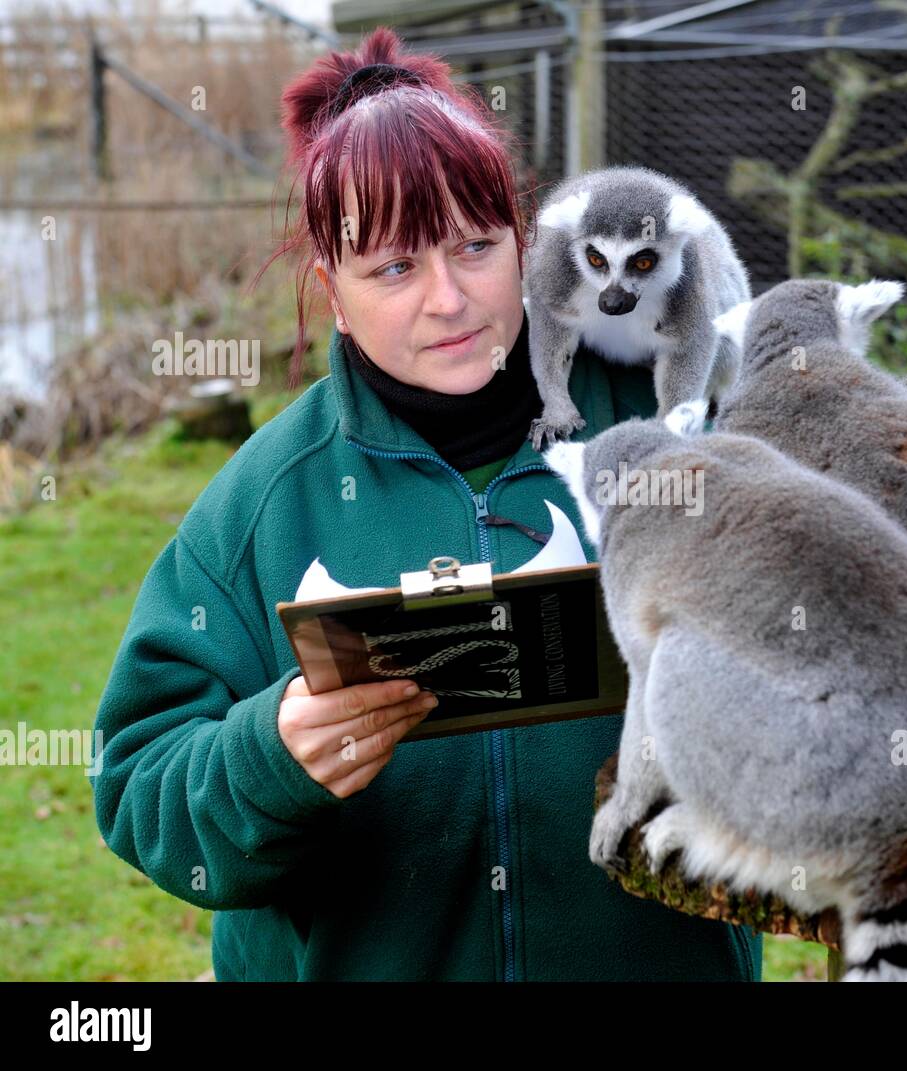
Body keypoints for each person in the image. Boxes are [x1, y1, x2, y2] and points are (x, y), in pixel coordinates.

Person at [91, 27, 763, 982]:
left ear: (530, 242)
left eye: (476, 247)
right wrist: (269, 760)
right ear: (332, 289)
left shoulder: (676, 420)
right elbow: (138, 787)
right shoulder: (260, 506)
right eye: (395, 268)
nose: (449, 299)